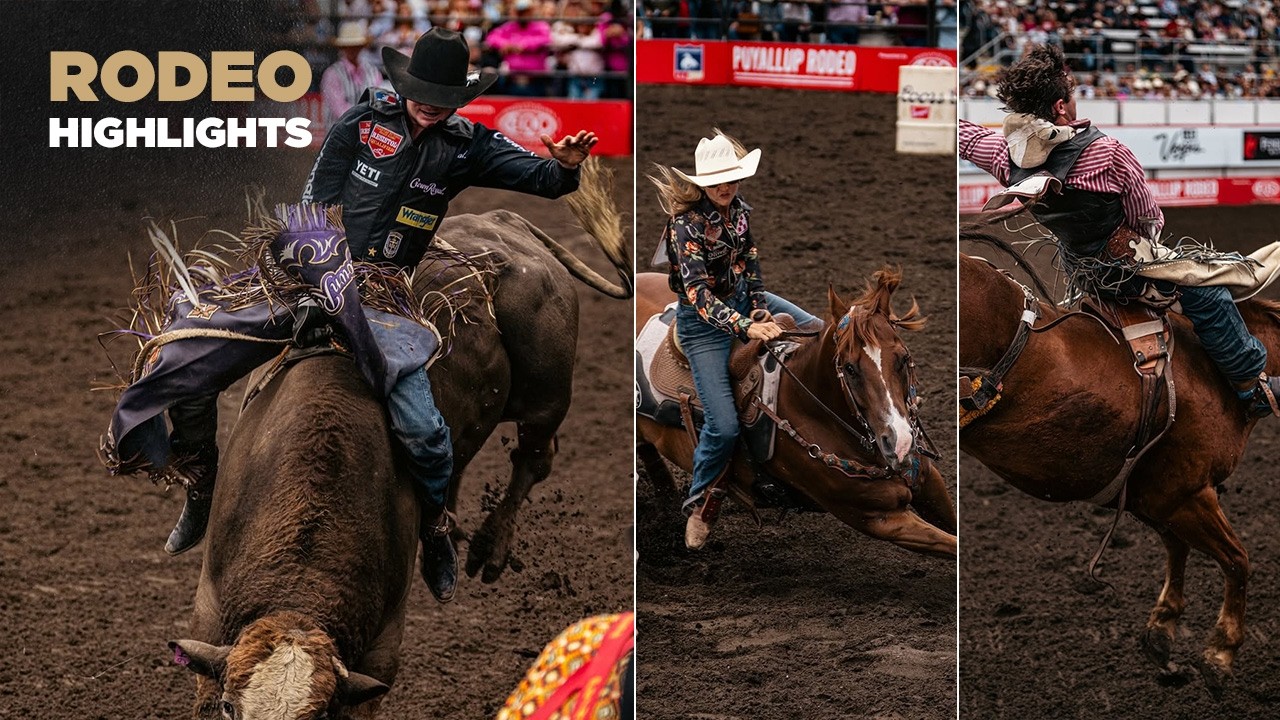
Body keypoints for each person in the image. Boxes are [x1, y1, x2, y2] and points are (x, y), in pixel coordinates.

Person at [144, 28, 597, 605]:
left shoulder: (467, 144)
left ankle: (434, 530)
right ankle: (203, 486)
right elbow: (314, 200)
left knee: (428, 434)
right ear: (405, 85)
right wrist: (316, 276)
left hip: (383, 297)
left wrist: (563, 168)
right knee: (186, 360)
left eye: (443, 93)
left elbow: (542, 180)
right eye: (423, 89)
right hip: (313, 273)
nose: (431, 101)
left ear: (459, 96)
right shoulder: (362, 124)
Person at [959, 43, 1280, 417]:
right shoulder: (1107, 153)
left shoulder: (1002, 154)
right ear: (1061, 107)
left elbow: (966, 139)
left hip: (1081, 272)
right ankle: (1250, 384)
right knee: (1210, 297)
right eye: (1072, 93)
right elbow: (1148, 218)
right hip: (1126, 271)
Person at [649, 132, 823, 551]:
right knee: (723, 425)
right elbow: (696, 294)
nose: (725, 187)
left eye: (731, 179)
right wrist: (747, 327)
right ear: (702, 184)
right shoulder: (684, 226)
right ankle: (701, 503)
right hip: (702, 326)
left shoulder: (740, 212)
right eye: (717, 181)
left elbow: (751, 263)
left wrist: (760, 306)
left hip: (743, 303)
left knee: (820, 331)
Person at [320, 22, 386, 129]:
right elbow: (339, 109)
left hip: (366, 132)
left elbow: (379, 100)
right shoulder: (332, 74)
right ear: (343, 48)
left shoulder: (373, 71)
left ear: (361, 47)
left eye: (356, 46)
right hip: (339, 135)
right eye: (349, 46)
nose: (353, 50)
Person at [485, 0, 553, 95]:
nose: (523, 15)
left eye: (526, 11)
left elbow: (546, 39)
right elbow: (491, 37)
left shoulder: (540, 26)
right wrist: (506, 44)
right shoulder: (509, 26)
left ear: (531, 12)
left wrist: (524, 45)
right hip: (512, 78)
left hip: (535, 79)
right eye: (520, 12)